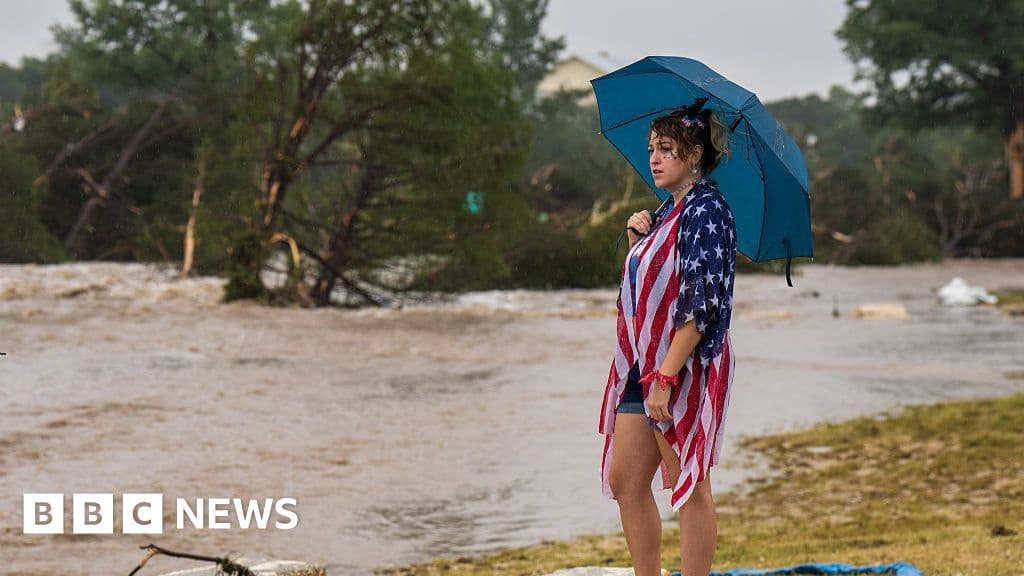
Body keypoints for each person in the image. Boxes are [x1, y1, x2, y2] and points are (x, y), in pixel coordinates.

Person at [598, 97, 737, 576]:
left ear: (695, 153)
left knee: (688, 483)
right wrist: (638, 244)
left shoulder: (708, 211)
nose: (654, 159)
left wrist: (667, 376)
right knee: (626, 481)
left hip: (682, 365)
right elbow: (643, 294)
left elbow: (701, 303)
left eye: (666, 149)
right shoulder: (666, 212)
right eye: (652, 149)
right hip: (645, 363)